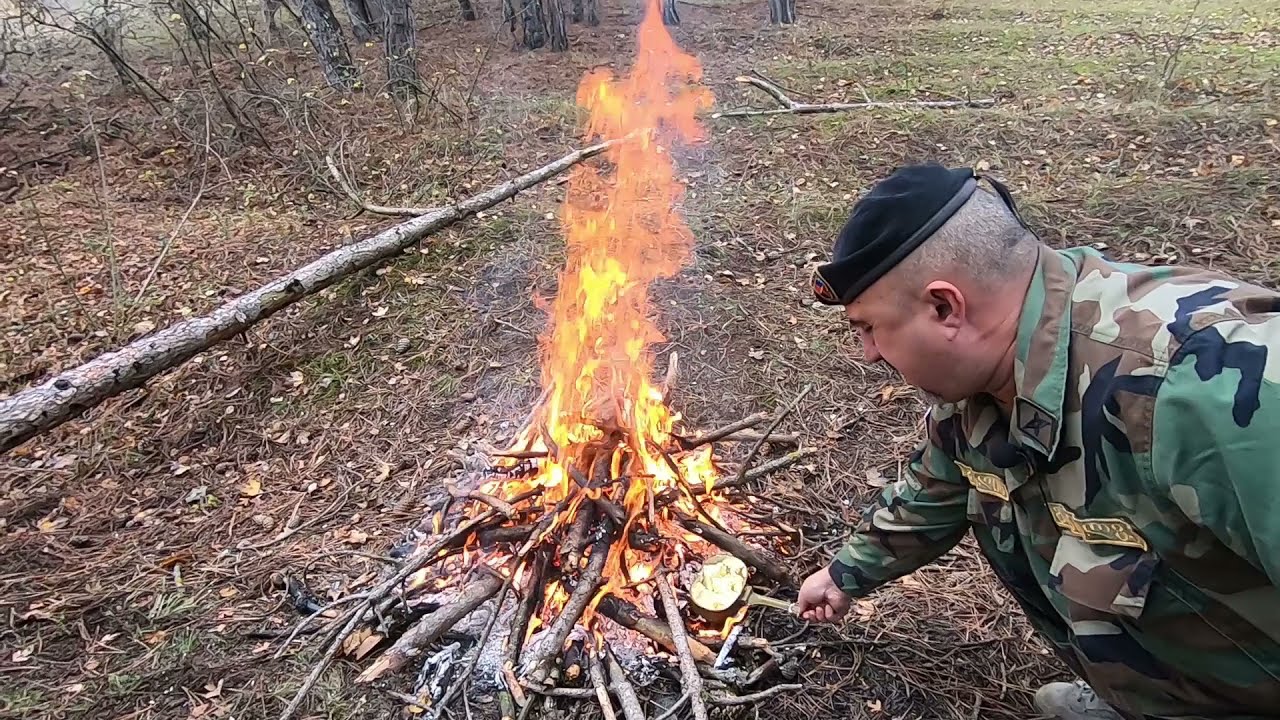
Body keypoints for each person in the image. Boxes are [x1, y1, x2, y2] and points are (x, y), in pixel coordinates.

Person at [795, 163, 1280, 720]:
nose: (868, 355)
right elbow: (937, 487)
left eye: (868, 327)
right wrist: (845, 574)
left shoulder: (1207, 389)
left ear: (944, 307)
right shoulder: (979, 378)